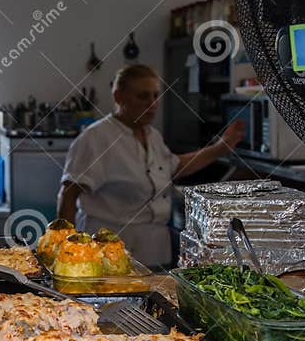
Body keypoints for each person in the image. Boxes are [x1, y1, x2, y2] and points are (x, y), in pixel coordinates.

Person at [57, 64, 244, 266]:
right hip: (106, 253)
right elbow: (68, 194)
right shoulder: (95, 138)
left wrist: (220, 148)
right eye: (143, 96)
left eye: (156, 96)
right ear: (119, 97)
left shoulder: (152, 135)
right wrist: (66, 253)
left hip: (154, 250)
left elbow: (175, 166)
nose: (152, 103)